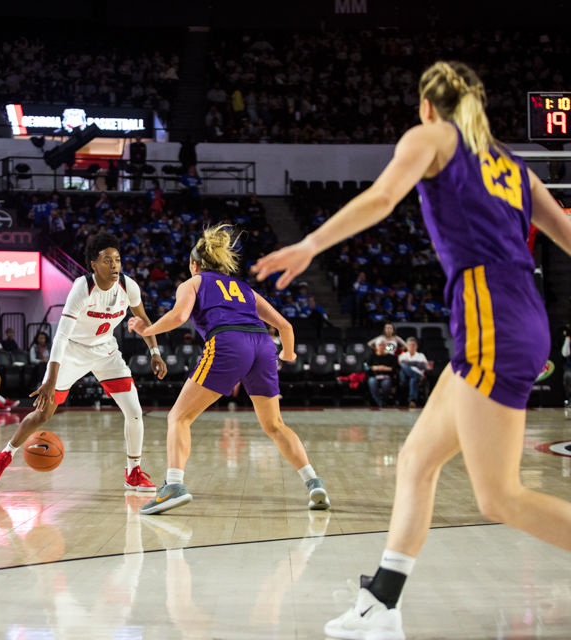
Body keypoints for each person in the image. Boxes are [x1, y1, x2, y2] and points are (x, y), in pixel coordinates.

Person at [253, 61, 571, 640]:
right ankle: (382, 602)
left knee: (500, 496)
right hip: (520, 314)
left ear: (428, 106)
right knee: (417, 460)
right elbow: (569, 236)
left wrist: (311, 243)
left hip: (491, 314)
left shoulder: (432, 136)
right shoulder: (514, 166)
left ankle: (381, 604)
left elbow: (381, 198)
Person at [127, 224, 329, 515]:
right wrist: (288, 353)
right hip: (262, 345)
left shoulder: (193, 283)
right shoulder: (244, 289)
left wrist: (148, 328)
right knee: (274, 425)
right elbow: (285, 326)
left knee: (179, 417)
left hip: (228, 341)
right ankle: (314, 483)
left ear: (194, 264)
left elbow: (179, 316)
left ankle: (173, 485)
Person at [0, 232, 168, 492]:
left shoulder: (129, 286)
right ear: (94, 264)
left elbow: (144, 320)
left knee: (134, 411)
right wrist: (50, 379)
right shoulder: (82, 288)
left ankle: (133, 472)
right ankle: (5, 454)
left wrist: (155, 352)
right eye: (107, 260)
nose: (114, 265)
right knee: (43, 413)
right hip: (72, 351)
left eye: (117, 259)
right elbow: (61, 337)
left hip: (105, 351)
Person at [398, 337, 429, 407]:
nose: (411, 346)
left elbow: (423, 366)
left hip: (418, 374)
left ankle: (412, 401)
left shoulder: (421, 355)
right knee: (404, 369)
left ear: (416, 346)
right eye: (410, 345)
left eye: (413, 345)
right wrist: (416, 363)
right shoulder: (402, 355)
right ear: (406, 346)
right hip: (406, 376)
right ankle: (412, 400)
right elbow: (402, 364)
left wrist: (408, 362)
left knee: (412, 379)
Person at [367, 340, 398, 407]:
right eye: (380, 345)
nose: (382, 347)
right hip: (374, 376)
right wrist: (375, 368)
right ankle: (380, 402)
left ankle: (384, 401)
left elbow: (395, 368)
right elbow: (367, 367)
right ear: (376, 347)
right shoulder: (372, 356)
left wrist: (386, 368)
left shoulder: (391, 357)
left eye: (383, 345)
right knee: (372, 382)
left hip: (386, 376)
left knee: (386, 384)